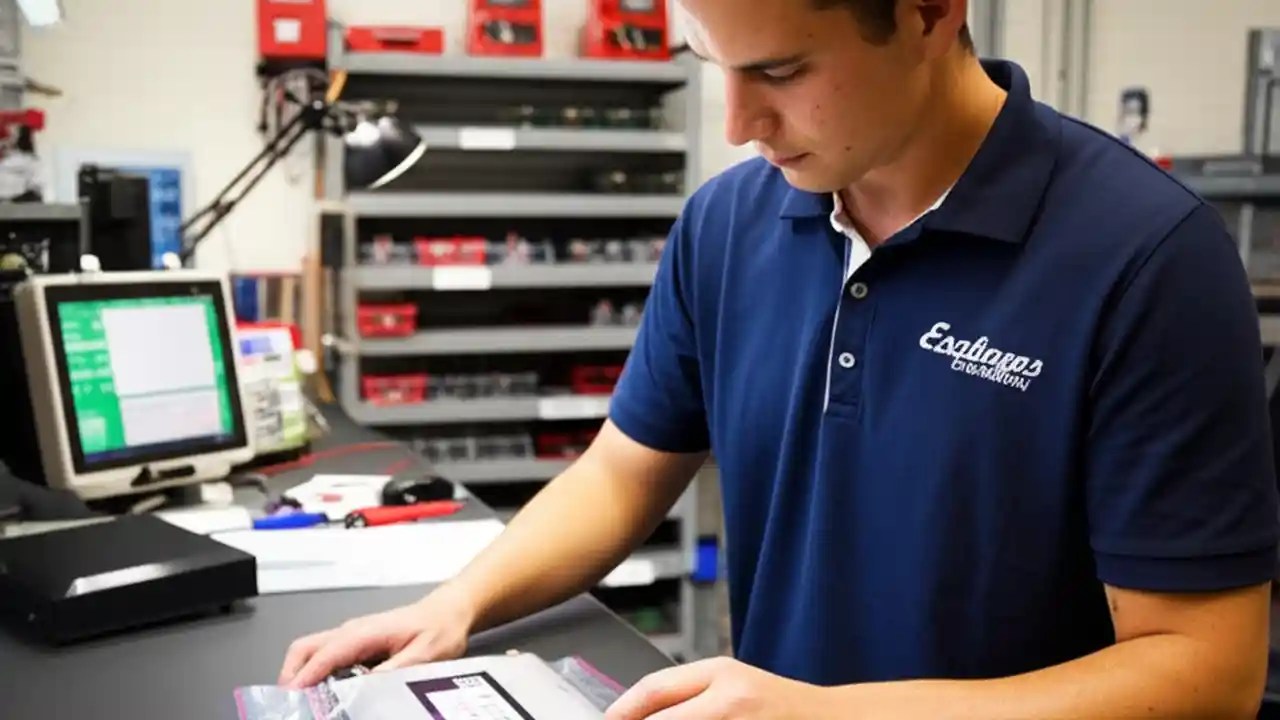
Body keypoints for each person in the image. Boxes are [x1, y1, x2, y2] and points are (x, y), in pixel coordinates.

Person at [280, 0, 1280, 716]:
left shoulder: (1144, 259)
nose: (735, 125)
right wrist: (455, 605)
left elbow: (1202, 671)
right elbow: (624, 472)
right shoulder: (726, 223)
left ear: (930, 13)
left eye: (782, 71)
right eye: (714, 63)